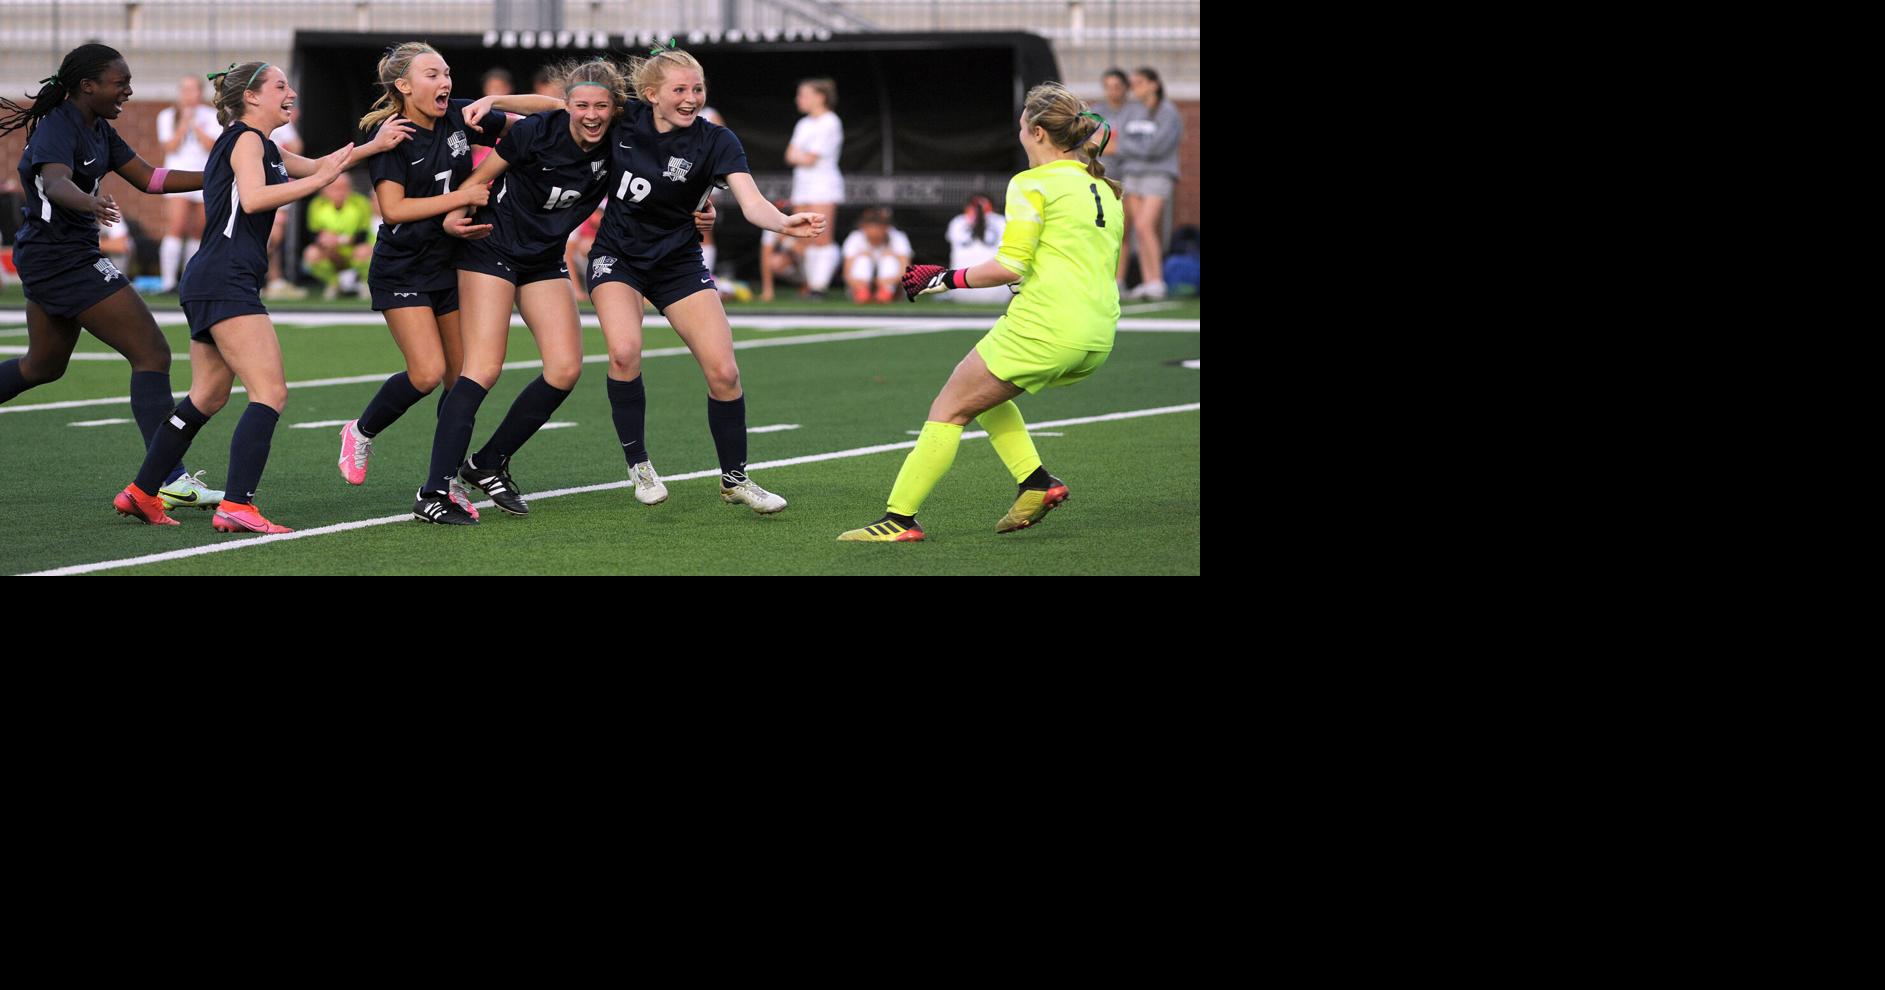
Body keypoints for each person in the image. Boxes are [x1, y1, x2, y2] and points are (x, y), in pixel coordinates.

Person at [113, 60, 406, 531]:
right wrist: (313, 185)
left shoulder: (263, 144)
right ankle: (238, 505)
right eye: (280, 86)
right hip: (224, 279)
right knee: (269, 392)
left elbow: (320, 165)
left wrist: (373, 146)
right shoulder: (247, 140)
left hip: (214, 279)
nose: (290, 92)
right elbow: (254, 198)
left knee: (206, 396)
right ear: (251, 97)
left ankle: (141, 492)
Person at [839, 83, 1121, 543]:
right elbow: (1069, 261)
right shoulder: (1104, 187)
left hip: (1046, 326)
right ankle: (1036, 482)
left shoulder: (1031, 183)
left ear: (1037, 133)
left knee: (947, 410)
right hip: (1098, 331)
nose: (1020, 136)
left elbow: (1009, 264)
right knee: (984, 395)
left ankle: (900, 521)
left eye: (1021, 129)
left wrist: (943, 278)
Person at [585, 43, 825, 513]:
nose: (691, 97)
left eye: (697, 88)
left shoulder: (717, 140)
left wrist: (784, 221)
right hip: (619, 257)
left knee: (724, 371)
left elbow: (753, 203)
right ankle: (639, 464)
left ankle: (735, 478)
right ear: (651, 94)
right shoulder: (622, 116)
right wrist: (491, 104)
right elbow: (561, 106)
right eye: (680, 89)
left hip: (677, 263)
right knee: (624, 350)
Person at [336, 42, 561, 519]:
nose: (445, 83)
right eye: (432, 75)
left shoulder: (461, 116)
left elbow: (553, 114)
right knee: (426, 372)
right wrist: (463, 196)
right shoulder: (390, 134)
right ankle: (360, 431)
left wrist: (498, 102)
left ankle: (446, 482)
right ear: (403, 86)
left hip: (452, 263)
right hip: (402, 266)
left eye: (447, 74)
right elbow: (394, 210)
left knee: (461, 381)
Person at [0, 43, 223, 511]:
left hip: (58, 256)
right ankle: (169, 479)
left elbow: (149, 178)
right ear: (88, 85)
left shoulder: (98, 127)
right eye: (120, 83)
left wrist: (217, 175)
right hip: (60, 260)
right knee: (152, 352)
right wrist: (89, 202)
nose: (129, 91)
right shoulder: (58, 126)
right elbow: (57, 182)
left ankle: (167, 479)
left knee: (42, 366)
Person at [1115, 66, 1182, 301]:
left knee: (1144, 225)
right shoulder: (1130, 110)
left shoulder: (1168, 111)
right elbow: (1119, 138)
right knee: (1138, 232)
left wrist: (1126, 148)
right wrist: (1129, 148)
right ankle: (1147, 281)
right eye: (1133, 84)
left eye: (1140, 83)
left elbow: (1157, 147)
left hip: (1158, 174)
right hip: (1132, 174)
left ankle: (1156, 281)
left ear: (1154, 84)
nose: (1135, 89)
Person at [155, 74, 220, 292]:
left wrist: (195, 125)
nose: (188, 94)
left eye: (193, 89)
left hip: (203, 176)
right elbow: (170, 147)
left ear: (200, 93)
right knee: (176, 226)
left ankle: (189, 280)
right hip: (176, 176)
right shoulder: (167, 116)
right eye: (185, 89)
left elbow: (212, 145)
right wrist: (183, 124)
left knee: (199, 230)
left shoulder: (211, 115)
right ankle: (168, 282)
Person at [786, 77, 843, 297]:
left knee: (821, 236)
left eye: (804, 95)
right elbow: (790, 155)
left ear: (820, 97)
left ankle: (820, 285)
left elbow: (809, 158)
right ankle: (809, 284)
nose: (798, 100)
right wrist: (801, 155)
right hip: (802, 185)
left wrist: (801, 155)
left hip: (823, 185)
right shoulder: (803, 123)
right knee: (802, 235)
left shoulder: (830, 121)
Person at [302, 177, 374, 298]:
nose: (340, 192)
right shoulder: (317, 204)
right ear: (324, 190)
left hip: (353, 249)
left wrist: (340, 240)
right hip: (330, 250)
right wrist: (324, 240)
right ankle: (335, 283)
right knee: (311, 253)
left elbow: (363, 234)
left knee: (365, 251)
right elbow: (313, 234)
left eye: (344, 187)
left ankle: (365, 282)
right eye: (334, 188)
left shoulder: (360, 202)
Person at [942, 194, 1012, 304]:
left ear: (967, 207)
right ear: (993, 208)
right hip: (999, 293)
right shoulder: (1002, 221)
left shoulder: (957, 222)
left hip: (959, 290)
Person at [841, 207, 910, 304]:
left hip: (892, 285)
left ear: (885, 228)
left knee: (889, 259)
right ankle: (862, 292)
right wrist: (858, 283)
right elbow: (846, 274)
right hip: (860, 285)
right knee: (863, 259)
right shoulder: (855, 237)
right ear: (863, 228)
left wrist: (889, 281)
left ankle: (885, 292)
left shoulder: (898, 237)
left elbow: (906, 271)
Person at [757, 197, 802, 302]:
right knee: (774, 261)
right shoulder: (772, 225)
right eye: (780, 211)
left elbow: (804, 253)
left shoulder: (803, 221)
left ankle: (811, 287)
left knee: (814, 256)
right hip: (793, 267)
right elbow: (765, 257)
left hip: (807, 266)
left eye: (787, 211)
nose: (784, 214)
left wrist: (785, 241)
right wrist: (768, 290)